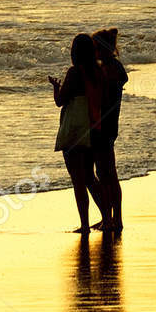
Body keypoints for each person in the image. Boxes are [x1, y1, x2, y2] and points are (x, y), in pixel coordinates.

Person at [51, 33, 102, 234]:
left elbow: (60, 101)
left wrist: (56, 88)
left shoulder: (74, 72)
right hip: (91, 126)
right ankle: (108, 217)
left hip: (74, 128)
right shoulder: (97, 71)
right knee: (90, 176)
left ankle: (84, 224)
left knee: (77, 180)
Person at [91, 28, 127, 233]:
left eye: (95, 48)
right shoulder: (114, 67)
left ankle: (113, 219)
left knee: (107, 173)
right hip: (110, 125)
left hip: (103, 125)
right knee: (107, 173)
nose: (93, 52)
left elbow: (102, 99)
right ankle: (113, 218)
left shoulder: (108, 69)